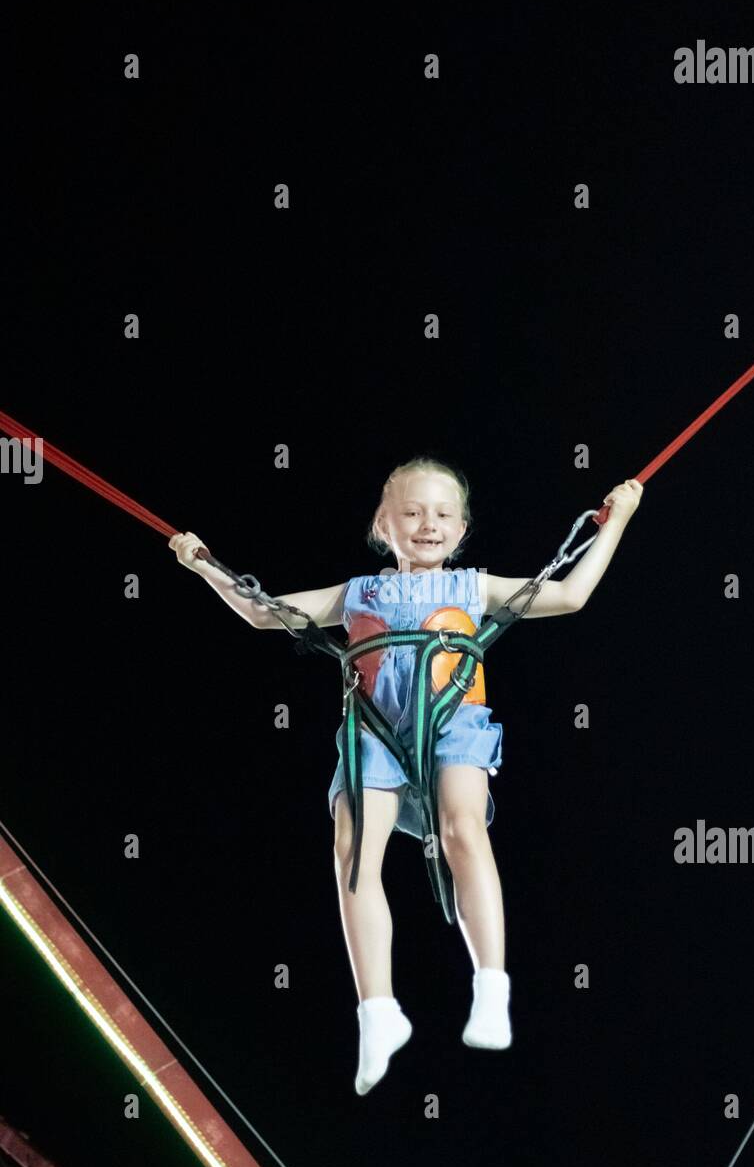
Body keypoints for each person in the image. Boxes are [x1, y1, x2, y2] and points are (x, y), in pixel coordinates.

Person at [169, 456, 642, 1096]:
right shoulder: (357, 593)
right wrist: (205, 567)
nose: (428, 524)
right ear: (382, 523)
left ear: (464, 527)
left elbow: (568, 594)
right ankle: (379, 1013)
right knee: (353, 851)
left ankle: (491, 988)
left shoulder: (476, 588)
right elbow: (264, 612)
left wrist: (616, 522)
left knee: (463, 830)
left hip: (455, 724)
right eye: (412, 512)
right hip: (374, 732)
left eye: (443, 514)